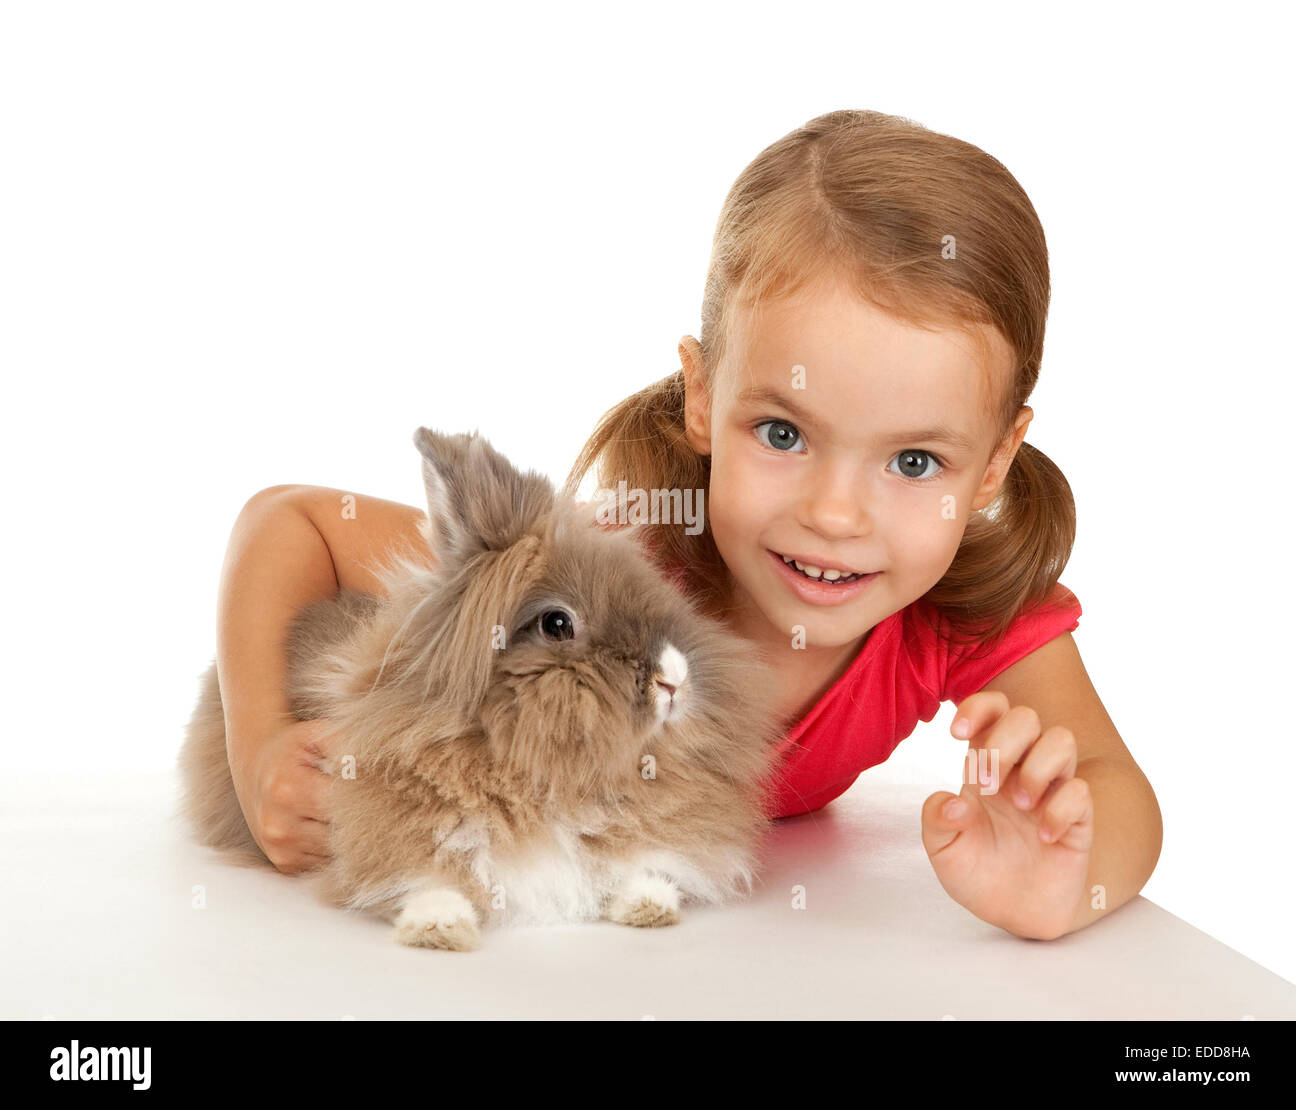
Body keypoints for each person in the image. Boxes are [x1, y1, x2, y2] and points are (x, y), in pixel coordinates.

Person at [209, 109, 1161, 941]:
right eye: (782, 432)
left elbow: (1123, 795)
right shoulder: (622, 563)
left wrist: (1064, 880)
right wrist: (257, 750)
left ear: (995, 461)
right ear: (702, 399)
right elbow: (292, 522)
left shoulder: (961, 613)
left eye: (914, 462)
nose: (834, 515)